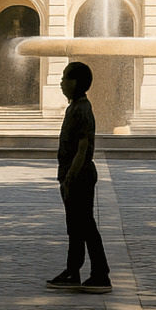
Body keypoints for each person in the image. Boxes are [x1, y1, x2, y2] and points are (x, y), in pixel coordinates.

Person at [47, 62, 111, 294]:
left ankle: (101, 274)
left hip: (79, 175)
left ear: (77, 82)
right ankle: (73, 272)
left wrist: (71, 176)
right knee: (75, 227)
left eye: (65, 78)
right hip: (72, 175)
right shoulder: (75, 107)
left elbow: (83, 147)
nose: (61, 82)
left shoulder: (82, 109)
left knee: (86, 226)